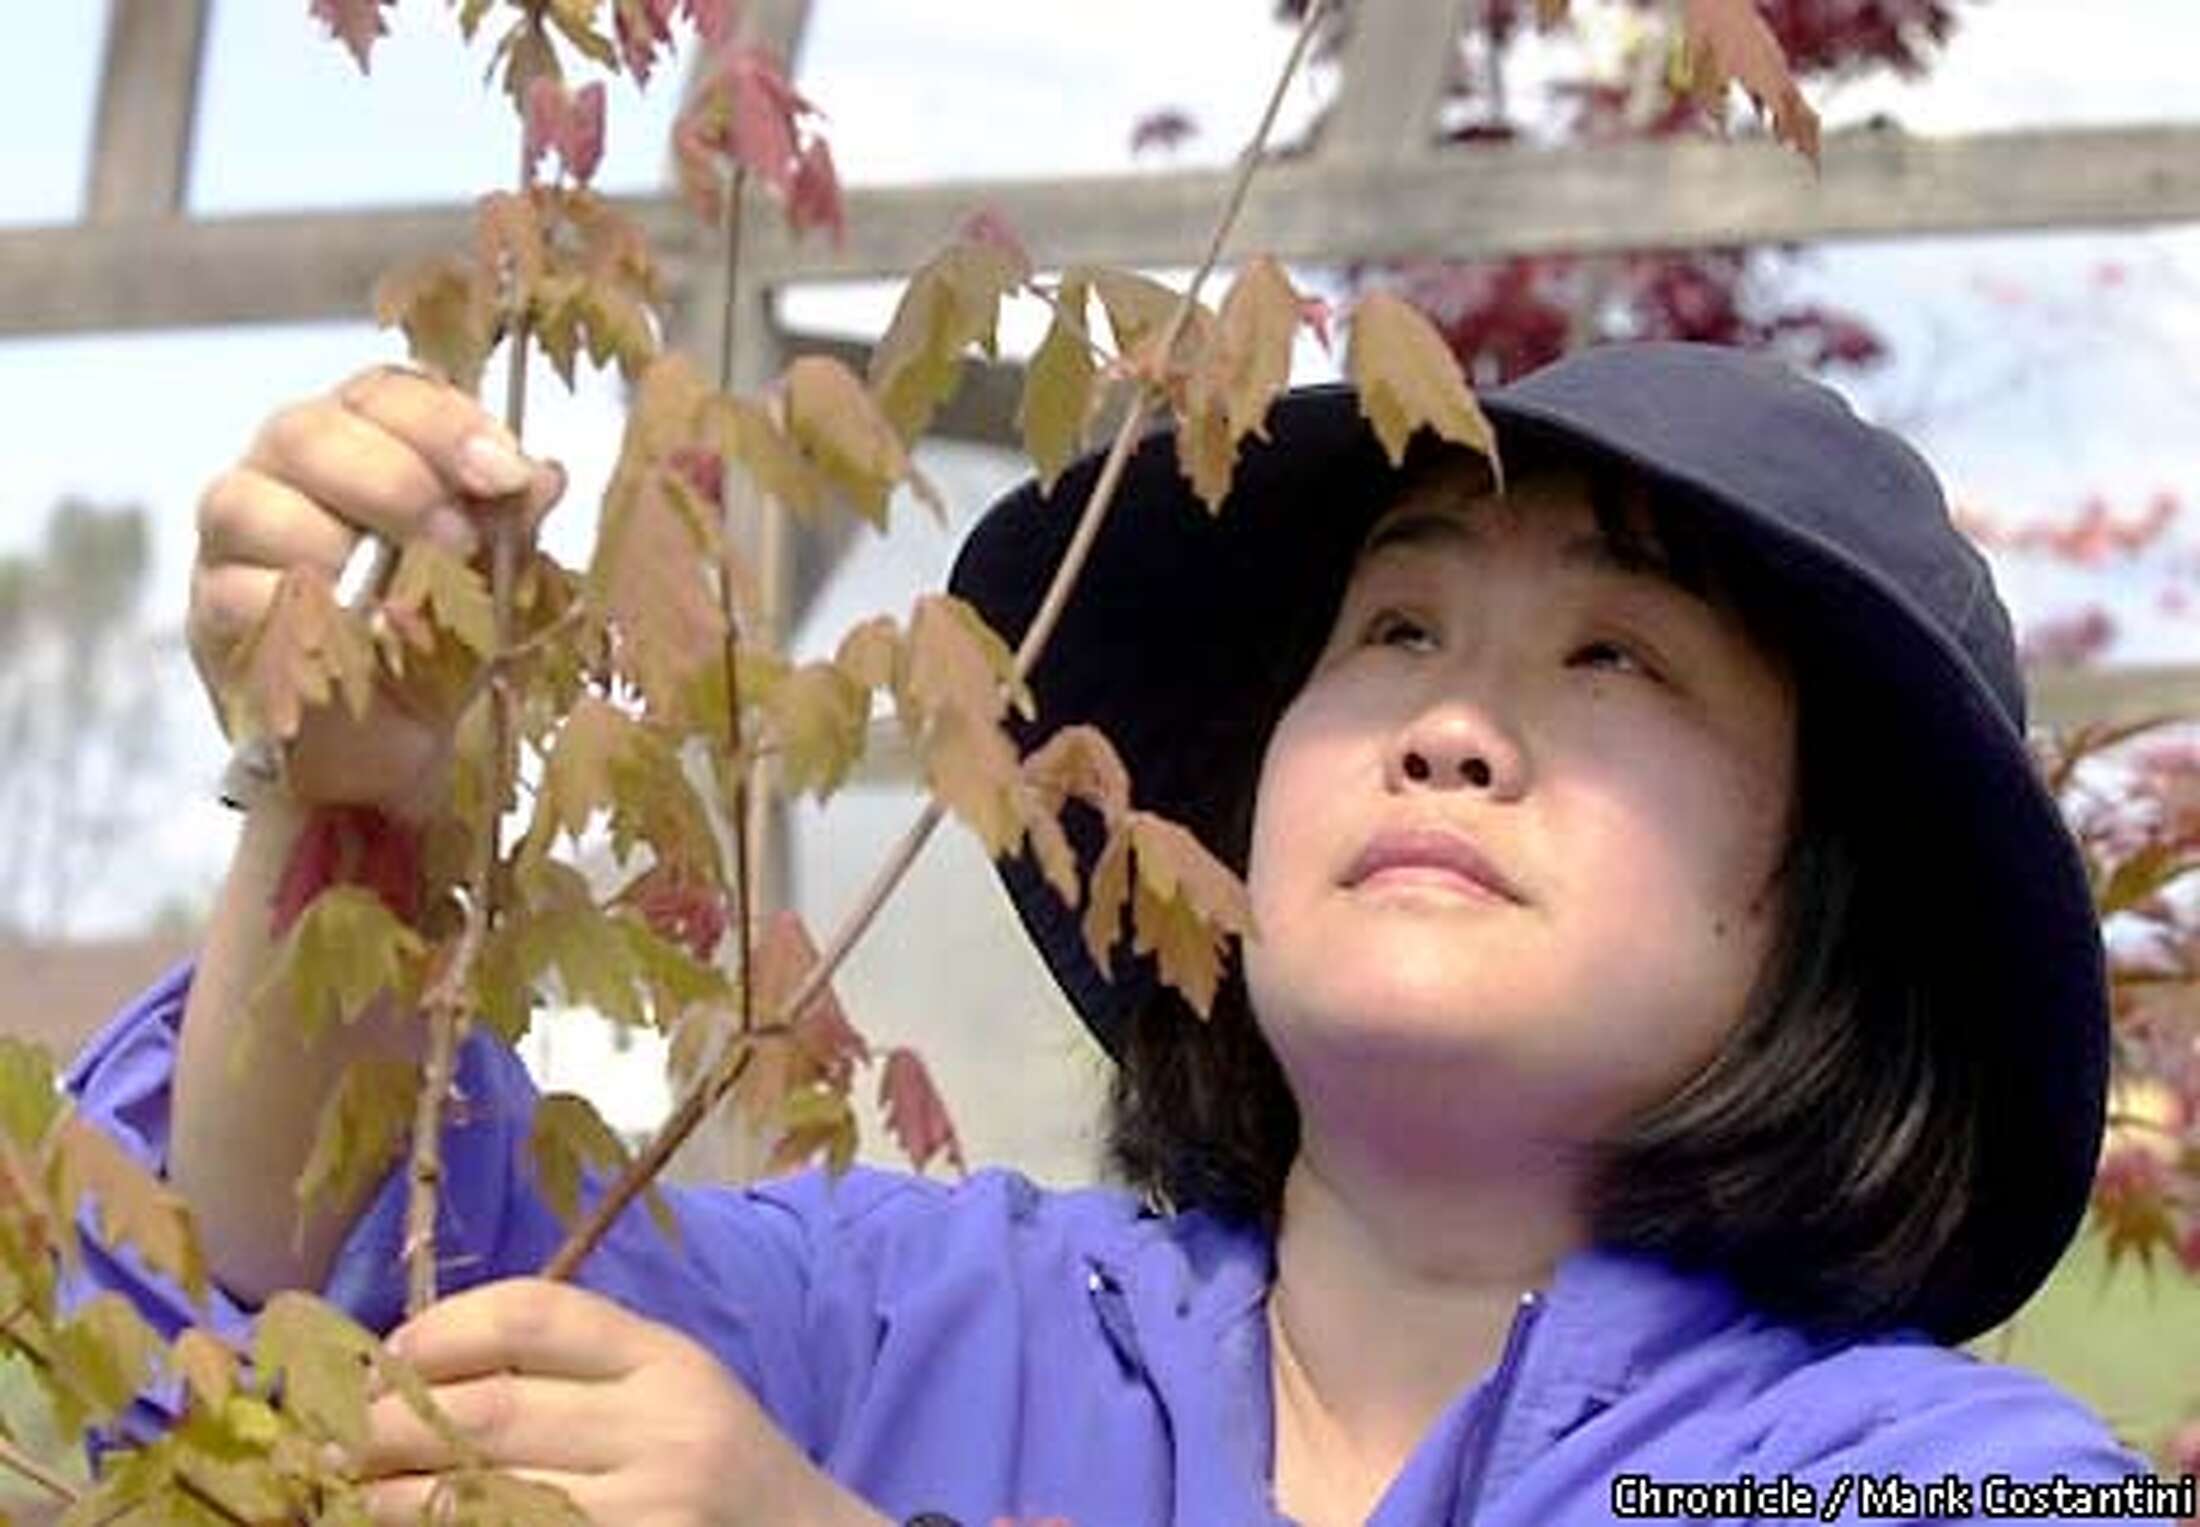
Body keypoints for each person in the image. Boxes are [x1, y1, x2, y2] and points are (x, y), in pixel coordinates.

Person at [61, 343, 2174, 1525]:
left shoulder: (1937, 1480)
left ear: (1825, 910)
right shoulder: (908, 1318)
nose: (1446, 722)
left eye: (1613, 658)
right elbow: (314, 1285)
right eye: (1393, 624)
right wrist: (351, 805)